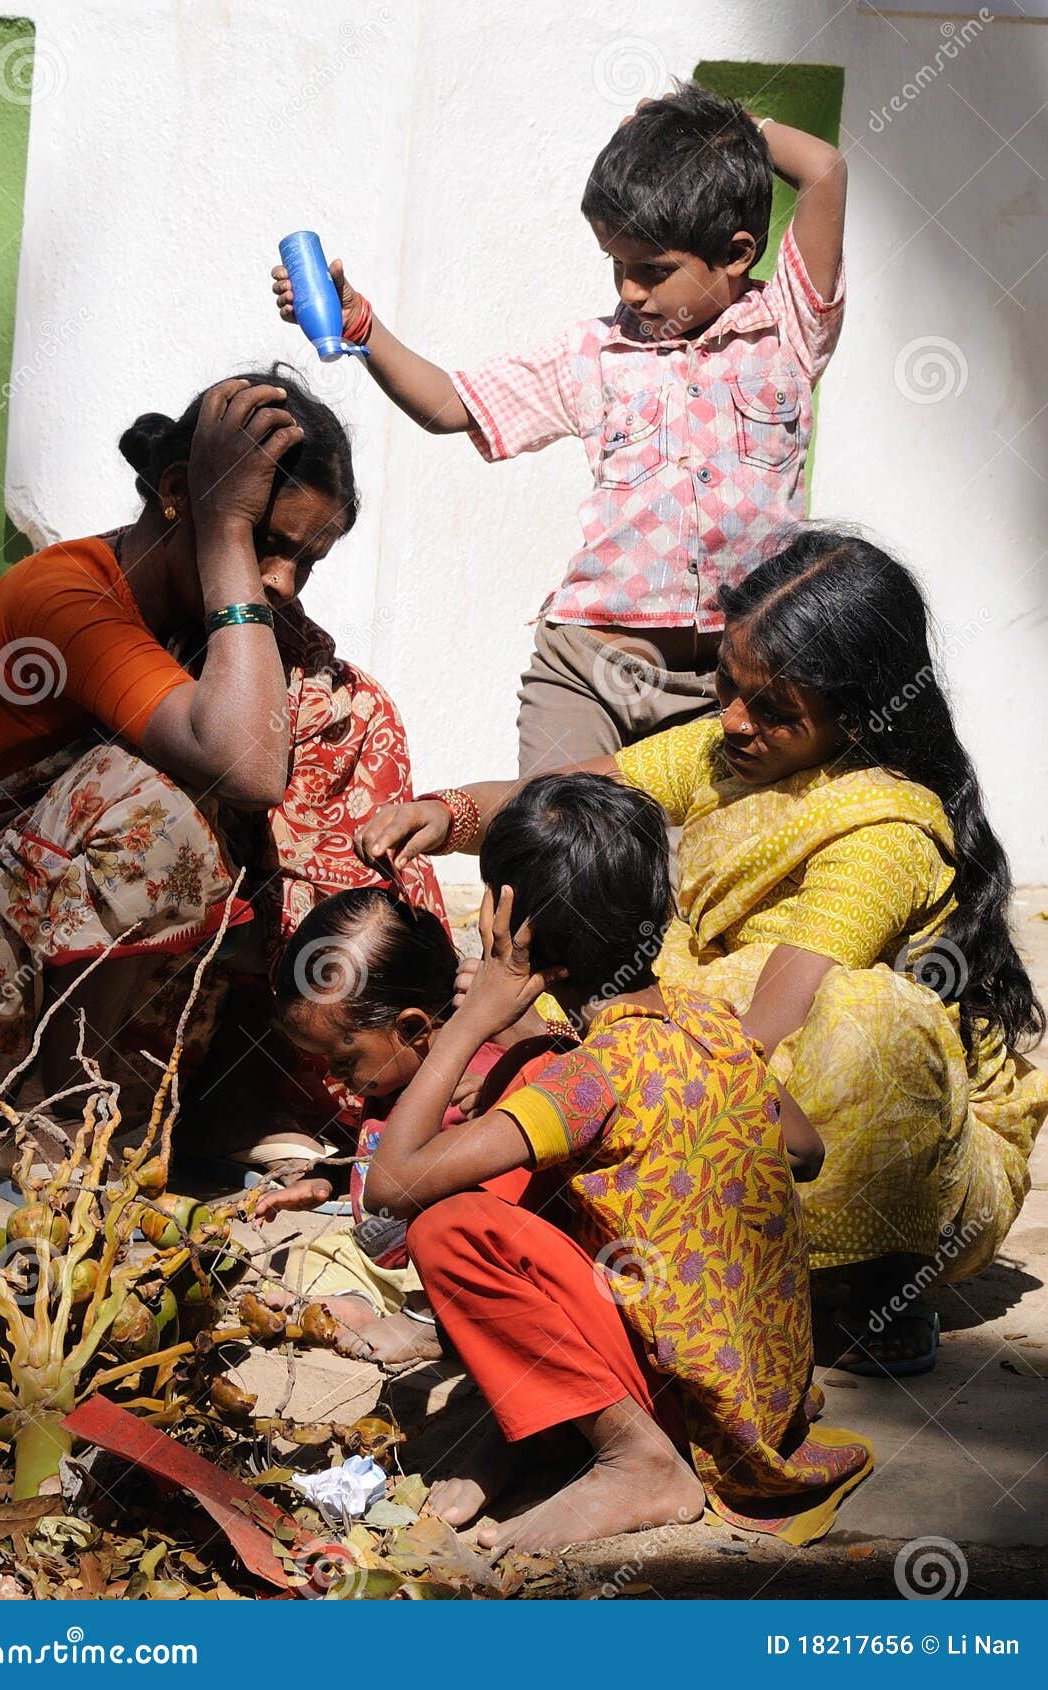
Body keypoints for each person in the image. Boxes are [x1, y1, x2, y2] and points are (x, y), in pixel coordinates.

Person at [356, 528, 1048, 1377]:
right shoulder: (736, 745)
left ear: (859, 714)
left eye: (773, 710)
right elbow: (581, 798)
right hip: (729, 1056)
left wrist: (594, 1053)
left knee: (866, 1017)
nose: (733, 721)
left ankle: (871, 1287)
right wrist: (452, 812)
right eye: (728, 688)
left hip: (850, 1123)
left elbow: (764, 1025)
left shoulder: (886, 831)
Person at [0, 367, 443, 1161]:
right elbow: (249, 767)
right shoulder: (63, 599)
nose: (282, 585)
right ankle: (52, 1118)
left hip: (116, 991)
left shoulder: (217, 623)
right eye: (267, 545)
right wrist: (226, 528)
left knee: (342, 707)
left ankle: (320, 1070)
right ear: (174, 493)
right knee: (161, 804)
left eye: (308, 562)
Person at [360, 774, 872, 1553]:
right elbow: (804, 1149)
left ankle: (637, 1461)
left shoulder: (588, 1082)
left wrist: (472, 1020)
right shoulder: (711, 1022)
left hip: (698, 1416)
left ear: (513, 937)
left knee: (451, 1229)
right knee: (538, 1092)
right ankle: (534, 1423)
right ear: (659, 913)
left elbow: (393, 1188)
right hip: (764, 1394)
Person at [272, 82, 847, 773]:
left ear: (737, 252)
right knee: (562, 843)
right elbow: (451, 404)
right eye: (616, 265)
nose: (630, 290)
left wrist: (714, 125)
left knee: (686, 870)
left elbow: (824, 170)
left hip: (735, 688)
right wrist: (361, 323)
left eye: (653, 270)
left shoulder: (789, 330)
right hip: (587, 672)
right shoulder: (592, 355)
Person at [255, 887, 571, 1365]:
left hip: (448, 1263)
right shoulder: (391, 1075)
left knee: (458, 1261)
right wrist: (331, 1180)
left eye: (342, 1060)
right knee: (320, 1254)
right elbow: (374, 1155)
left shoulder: (477, 1085)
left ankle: (431, 1320)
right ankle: (360, 1304)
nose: (331, 1077)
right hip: (390, 1258)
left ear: (411, 1029)